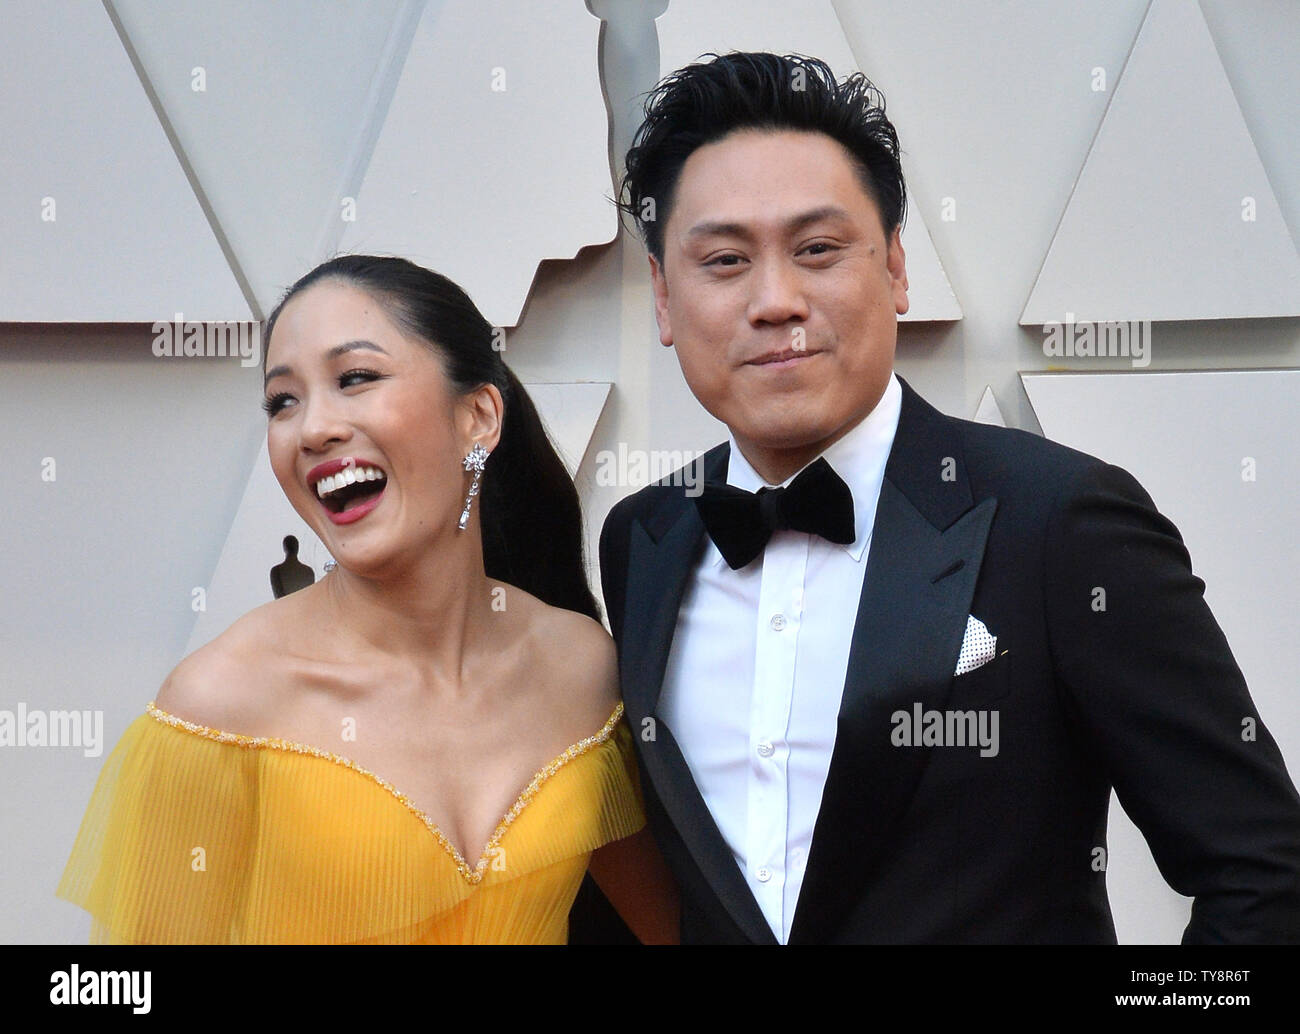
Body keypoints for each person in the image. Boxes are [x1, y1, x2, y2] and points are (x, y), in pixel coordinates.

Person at [599, 51, 1300, 944]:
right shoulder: (645, 538)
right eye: (725, 260)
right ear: (664, 298)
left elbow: (1266, 876)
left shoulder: (1063, 520)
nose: (775, 300)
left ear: (894, 266)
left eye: (817, 250)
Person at [57, 255, 677, 944]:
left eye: (356, 378)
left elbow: (674, 929)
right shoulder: (220, 703)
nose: (313, 428)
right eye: (282, 401)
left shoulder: (581, 667)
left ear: (478, 415)